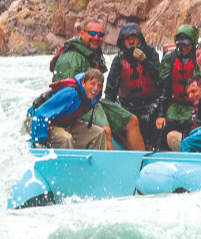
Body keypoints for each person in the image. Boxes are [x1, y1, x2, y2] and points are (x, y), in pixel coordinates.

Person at [50, 19, 145, 151]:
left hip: (94, 102)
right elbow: (64, 96)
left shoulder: (93, 53)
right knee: (105, 130)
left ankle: (141, 164)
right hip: (77, 106)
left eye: (100, 35)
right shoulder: (71, 59)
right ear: (82, 34)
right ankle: (111, 168)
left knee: (132, 121)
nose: (96, 38)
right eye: (92, 33)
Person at [105, 21, 162, 148]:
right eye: (127, 39)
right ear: (122, 41)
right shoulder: (118, 60)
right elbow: (110, 90)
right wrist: (108, 113)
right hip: (127, 105)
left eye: (134, 38)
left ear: (139, 39)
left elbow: (160, 79)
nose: (131, 41)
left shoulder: (151, 53)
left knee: (152, 122)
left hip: (152, 103)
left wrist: (145, 61)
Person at [26, 69, 111, 149]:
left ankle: (94, 163)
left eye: (99, 86)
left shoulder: (93, 97)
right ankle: (67, 164)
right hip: (37, 122)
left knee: (98, 133)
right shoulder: (70, 94)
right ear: (83, 83)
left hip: (63, 123)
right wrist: (39, 143)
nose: (96, 89)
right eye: (92, 84)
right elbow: (40, 114)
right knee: (66, 138)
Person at [153, 24, 200, 150]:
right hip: (175, 103)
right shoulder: (170, 59)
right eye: (180, 44)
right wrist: (161, 113)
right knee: (166, 124)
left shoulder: (199, 58)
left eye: (186, 44)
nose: (183, 47)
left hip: (193, 103)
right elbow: (164, 88)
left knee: (193, 123)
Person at [165, 77, 201, 151]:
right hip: (200, 142)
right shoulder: (195, 111)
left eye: (193, 91)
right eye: (188, 93)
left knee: (172, 137)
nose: (190, 96)